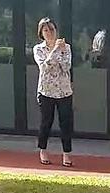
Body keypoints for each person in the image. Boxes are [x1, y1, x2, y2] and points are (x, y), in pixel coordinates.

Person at [33, 17, 74, 167]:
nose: (49, 33)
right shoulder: (38, 49)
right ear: (41, 33)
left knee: (66, 124)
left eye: (51, 29)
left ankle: (67, 154)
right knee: (46, 122)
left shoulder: (66, 47)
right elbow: (44, 67)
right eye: (45, 30)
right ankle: (43, 150)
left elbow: (66, 66)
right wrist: (55, 50)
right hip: (46, 91)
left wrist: (61, 50)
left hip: (64, 91)